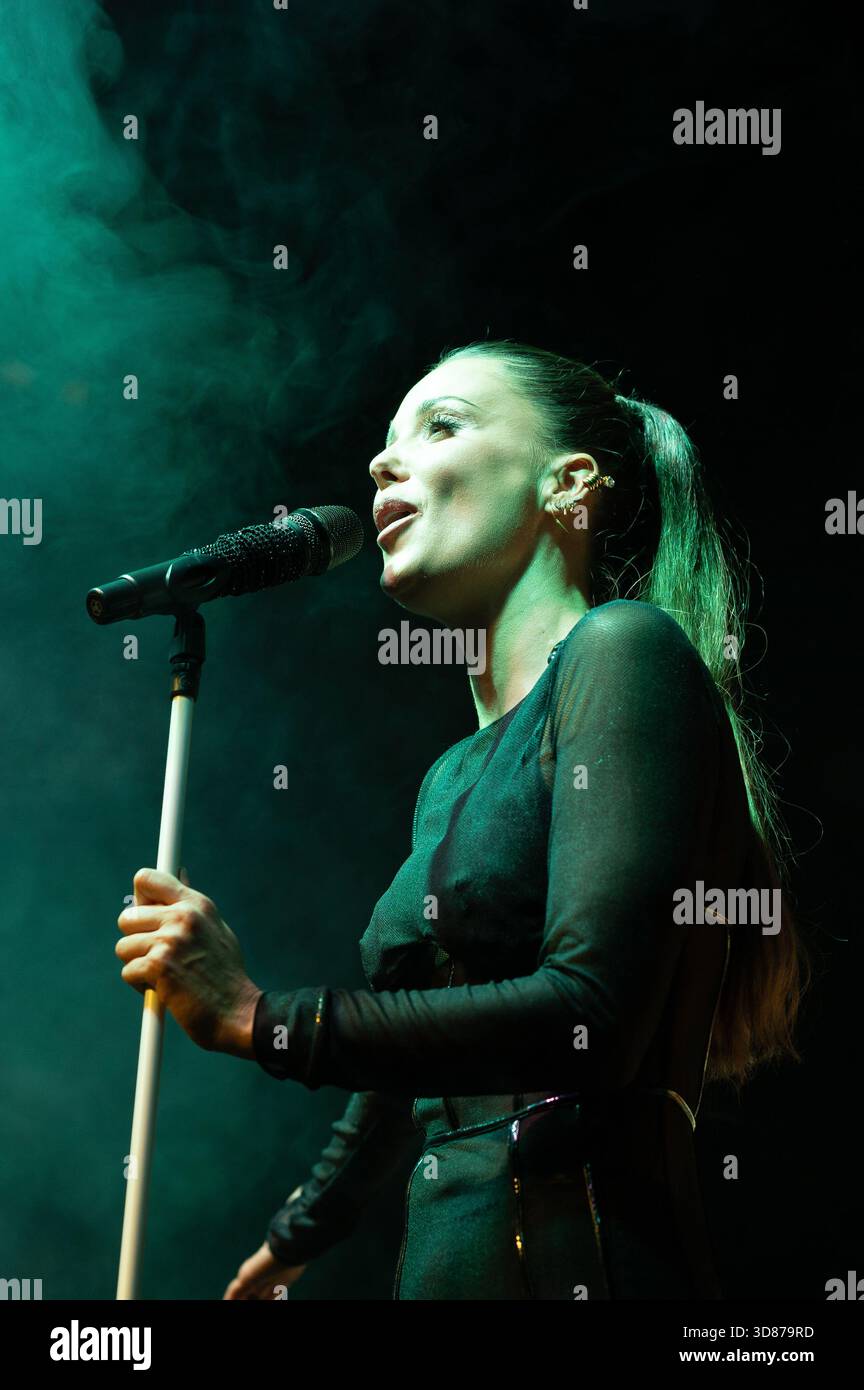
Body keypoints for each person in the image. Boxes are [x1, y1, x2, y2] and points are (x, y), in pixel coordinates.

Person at [116, 340, 810, 1300]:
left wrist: (259, 1018)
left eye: (441, 426)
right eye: (385, 443)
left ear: (569, 486)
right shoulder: (451, 774)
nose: (381, 464)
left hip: (581, 1256)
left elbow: (588, 1018)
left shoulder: (623, 651)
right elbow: (424, 1060)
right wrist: (301, 1229)